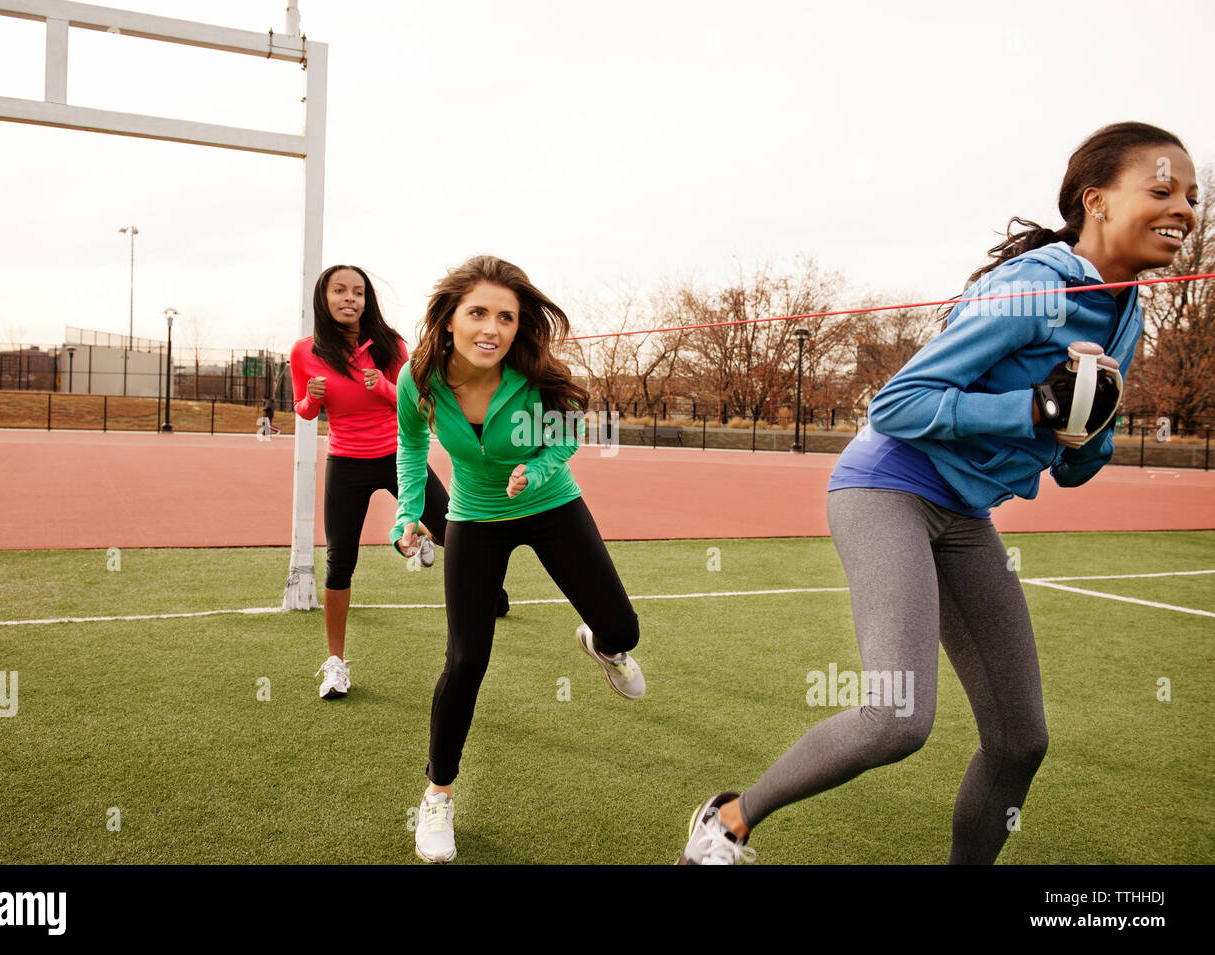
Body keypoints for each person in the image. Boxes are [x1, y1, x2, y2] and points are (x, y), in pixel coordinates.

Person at [679, 122, 1199, 865]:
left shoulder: (1130, 312)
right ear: (1098, 202)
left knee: (1020, 737)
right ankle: (727, 820)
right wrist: (1032, 409)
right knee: (896, 717)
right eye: (1162, 189)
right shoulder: (1033, 287)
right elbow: (897, 404)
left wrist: (1089, 427)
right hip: (887, 485)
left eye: (1192, 196)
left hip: (962, 512)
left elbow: (1075, 463)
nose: (1184, 208)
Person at [394, 255, 645, 863]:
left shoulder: (531, 376)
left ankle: (601, 645)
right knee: (466, 658)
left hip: (551, 504)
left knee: (623, 628)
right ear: (449, 319)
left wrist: (538, 469)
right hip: (475, 517)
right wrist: (410, 511)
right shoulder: (419, 379)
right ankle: (438, 796)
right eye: (477, 312)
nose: (492, 328)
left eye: (505, 317)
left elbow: (567, 434)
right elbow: (411, 440)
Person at [291, 264, 508, 701]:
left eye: (358, 292)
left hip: (397, 456)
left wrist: (384, 387)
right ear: (324, 298)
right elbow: (305, 411)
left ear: (366, 300)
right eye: (340, 291)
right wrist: (310, 399)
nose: (349, 299)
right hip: (346, 462)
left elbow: (414, 399)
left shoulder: (389, 345)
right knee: (339, 561)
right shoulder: (304, 351)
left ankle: (490, 591)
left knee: (454, 530)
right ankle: (336, 663)